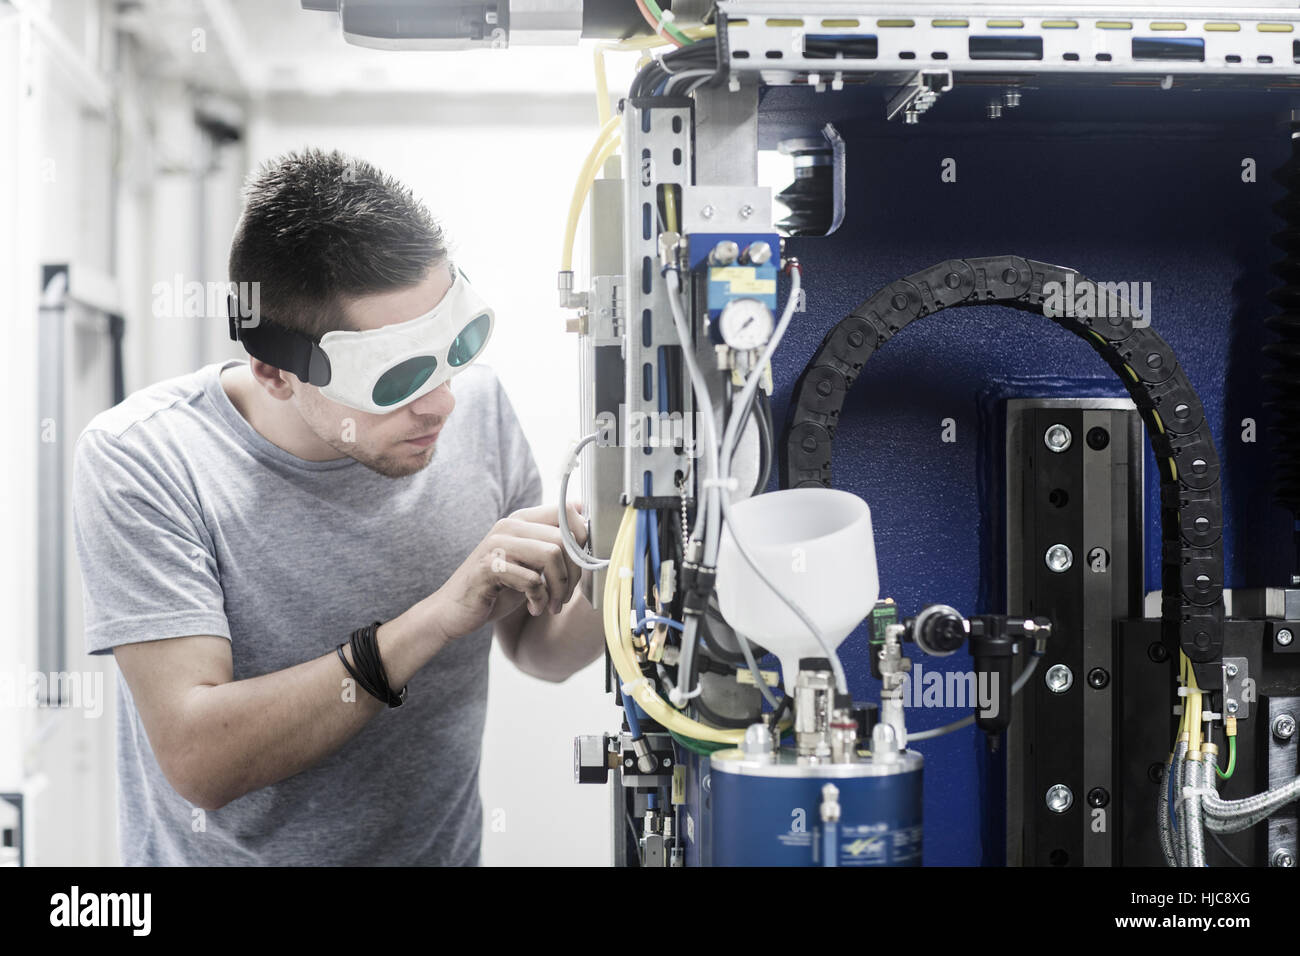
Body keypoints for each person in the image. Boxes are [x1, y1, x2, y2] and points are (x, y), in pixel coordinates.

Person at [72, 148, 605, 865]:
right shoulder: (149, 459)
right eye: (398, 376)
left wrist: (623, 557)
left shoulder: (476, 409)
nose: (442, 400)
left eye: (456, 349)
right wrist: (434, 619)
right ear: (274, 369)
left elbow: (538, 650)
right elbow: (201, 760)